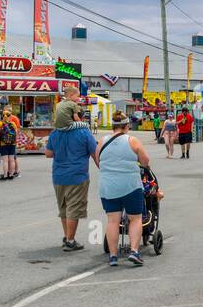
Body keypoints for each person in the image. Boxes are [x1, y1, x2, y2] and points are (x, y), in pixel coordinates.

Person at [45, 102, 99, 252]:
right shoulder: (83, 132)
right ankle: (70, 240)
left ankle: (67, 236)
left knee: (64, 208)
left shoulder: (55, 133)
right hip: (77, 176)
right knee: (74, 208)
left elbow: (48, 153)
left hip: (58, 176)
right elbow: (95, 154)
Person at [98, 112, 149, 267]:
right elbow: (145, 161)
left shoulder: (102, 141)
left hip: (108, 185)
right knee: (135, 218)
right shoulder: (132, 140)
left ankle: (113, 256)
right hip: (130, 186)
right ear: (127, 126)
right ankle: (134, 251)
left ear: (113, 125)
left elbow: (98, 160)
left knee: (113, 220)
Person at [0, 107, 20, 180]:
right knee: (11, 160)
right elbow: (16, 133)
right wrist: (15, 141)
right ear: (10, 116)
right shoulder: (13, 123)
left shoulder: (0, 123)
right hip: (12, 144)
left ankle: (5, 175)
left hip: (3, 144)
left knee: (5, 160)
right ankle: (11, 174)